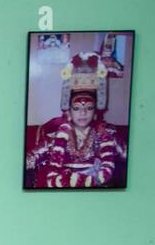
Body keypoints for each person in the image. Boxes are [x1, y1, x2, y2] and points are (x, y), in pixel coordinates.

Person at [26, 53, 126, 189]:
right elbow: (30, 159)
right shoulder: (56, 136)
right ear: (69, 111)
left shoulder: (106, 134)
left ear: (95, 111)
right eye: (77, 108)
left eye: (89, 108)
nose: (83, 113)